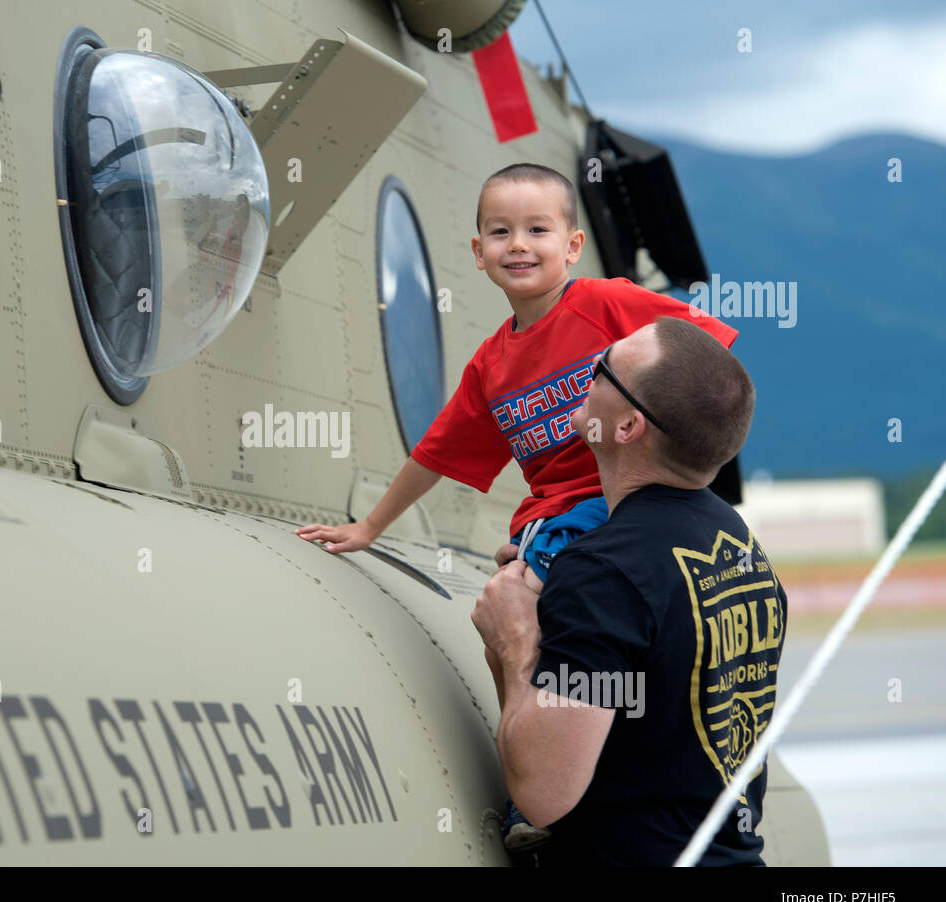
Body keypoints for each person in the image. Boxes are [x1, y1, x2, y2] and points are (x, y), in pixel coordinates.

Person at [295, 162, 738, 847]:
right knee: (499, 619)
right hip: (549, 515)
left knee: (525, 595)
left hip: (609, 499)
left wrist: (690, 446)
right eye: (500, 232)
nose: (518, 244)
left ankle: (541, 797)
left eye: (538, 229)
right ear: (478, 253)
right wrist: (370, 526)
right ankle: (535, 766)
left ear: (572, 245)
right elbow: (436, 453)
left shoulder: (605, 303)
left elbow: (702, 356)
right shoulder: (491, 366)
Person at [471, 318, 786, 866]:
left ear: (627, 428)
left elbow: (544, 793)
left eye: (599, 371)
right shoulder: (737, 544)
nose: (582, 377)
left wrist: (517, 639)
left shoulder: (605, 572)